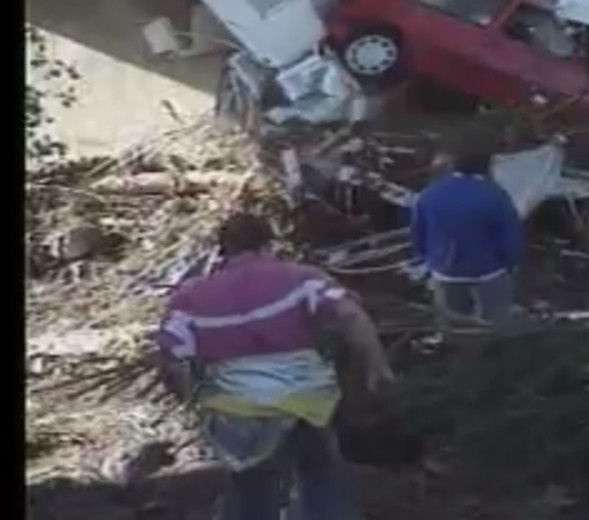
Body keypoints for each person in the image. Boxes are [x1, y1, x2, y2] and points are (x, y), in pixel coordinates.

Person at [155, 213, 395, 520]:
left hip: (237, 402)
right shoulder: (301, 277)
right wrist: (378, 367)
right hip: (303, 395)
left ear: (223, 249)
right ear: (268, 243)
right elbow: (350, 315)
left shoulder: (188, 299)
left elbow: (172, 359)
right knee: (320, 472)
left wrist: (193, 403)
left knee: (250, 489)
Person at [410, 147, 525, 325]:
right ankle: (494, 345)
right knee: (496, 322)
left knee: (451, 323)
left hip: (445, 273)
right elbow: (511, 240)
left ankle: (454, 345)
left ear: (453, 167)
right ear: (487, 168)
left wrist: (431, 261)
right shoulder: (495, 195)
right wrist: (510, 264)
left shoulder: (428, 194)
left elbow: (418, 237)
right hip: (489, 273)